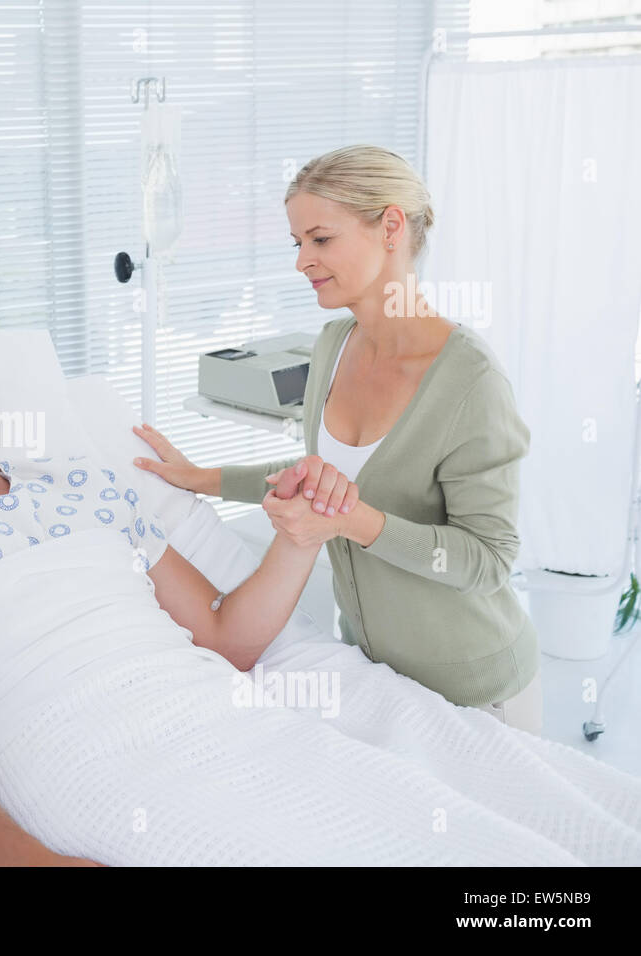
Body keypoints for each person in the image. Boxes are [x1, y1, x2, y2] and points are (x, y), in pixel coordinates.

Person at [0, 318, 641, 866]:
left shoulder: (88, 485)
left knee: (463, 839)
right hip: (76, 752)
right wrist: (24, 858)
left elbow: (225, 641)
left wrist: (296, 540)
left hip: (209, 714)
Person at [135, 145, 542, 733]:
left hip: (475, 690)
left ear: (391, 228)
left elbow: (488, 561)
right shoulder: (333, 343)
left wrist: (349, 521)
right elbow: (327, 470)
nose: (302, 260)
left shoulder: (470, 380)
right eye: (296, 243)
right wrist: (205, 479)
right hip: (374, 673)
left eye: (320, 239)